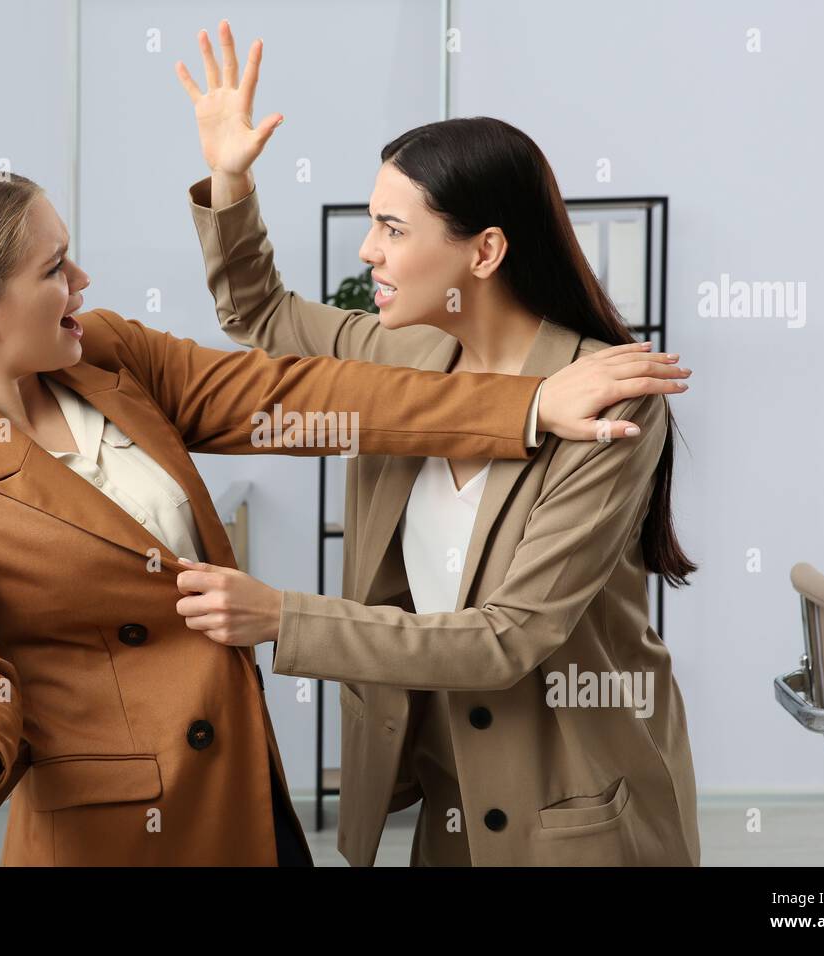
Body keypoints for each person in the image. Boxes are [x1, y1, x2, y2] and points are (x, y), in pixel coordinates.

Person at [0, 163, 688, 865]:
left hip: (245, 789)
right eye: (55, 268)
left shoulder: (104, 353)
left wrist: (527, 403)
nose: (81, 280)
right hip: (121, 835)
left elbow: (292, 395)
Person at [172, 20, 701, 865]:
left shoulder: (609, 401)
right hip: (447, 807)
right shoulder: (408, 355)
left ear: (485, 250)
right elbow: (262, 317)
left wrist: (279, 617)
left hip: (574, 815)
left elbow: (505, 639)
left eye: (392, 228)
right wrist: (230, 180)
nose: (366, 250)